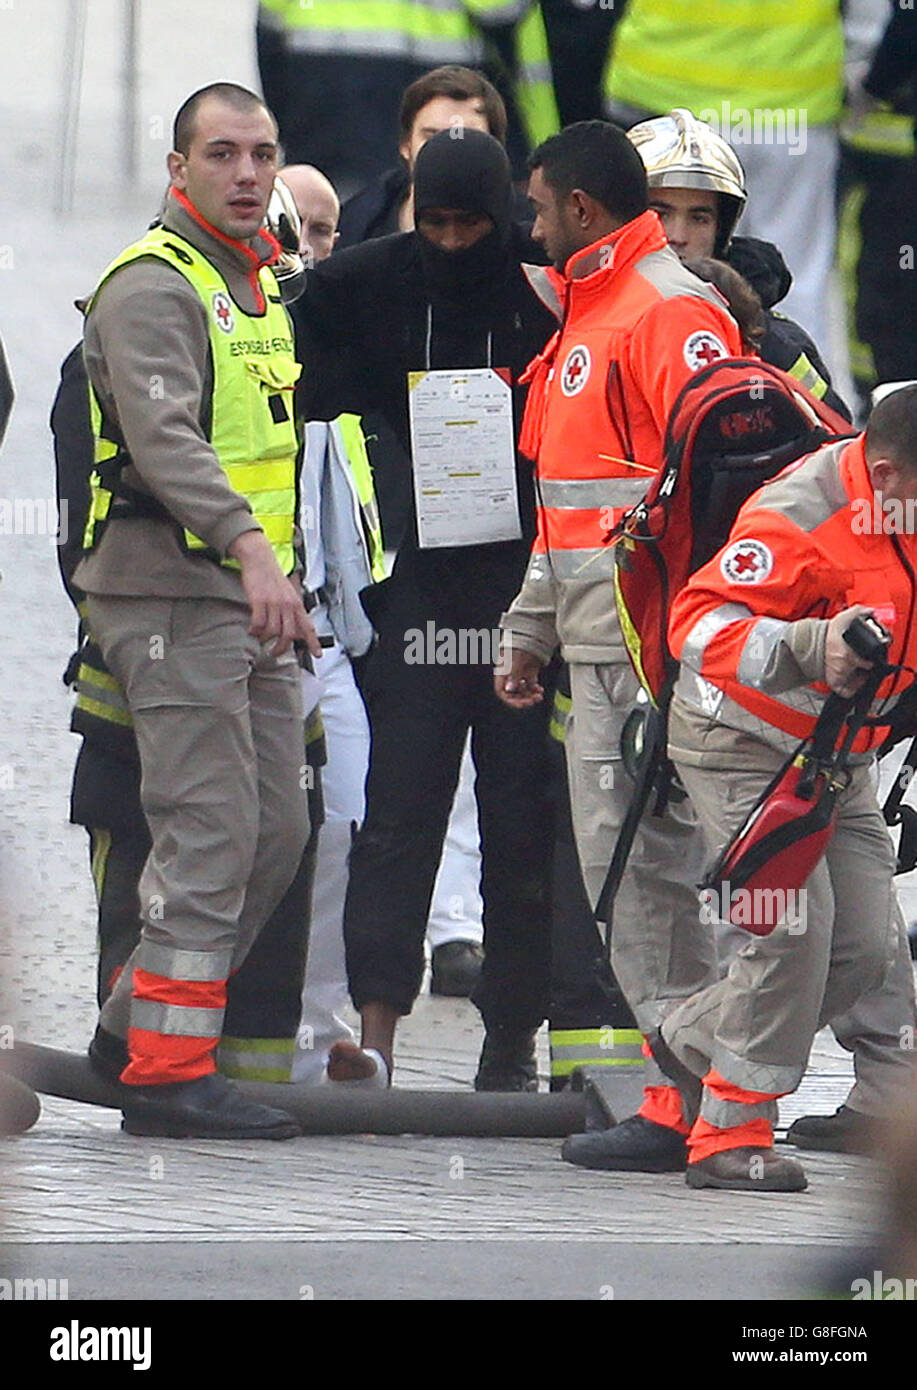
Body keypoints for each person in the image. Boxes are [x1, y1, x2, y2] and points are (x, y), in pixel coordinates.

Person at [496, 120, 744, 1168]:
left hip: (654, 656)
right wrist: (529, 626)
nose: (531, 223)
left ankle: (699, 1102)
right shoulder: (594, 307)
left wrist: (688, 653)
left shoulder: (662, 310)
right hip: (609, 650)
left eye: (540, 207)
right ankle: (690, 1097)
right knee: (636, 883)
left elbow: (727, 494)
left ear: (583, 212)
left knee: (652, 881)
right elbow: (573, 507)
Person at [74, 82, 320, 1139]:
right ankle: (166, 1076)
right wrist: (255, 552)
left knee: (277, 824)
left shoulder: (257, 284)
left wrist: (281, 574)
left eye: (262, 153)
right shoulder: (151, 285)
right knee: (210, 826)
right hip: (171, 593)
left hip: (247, 597)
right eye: (221, 155)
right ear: (178, 171)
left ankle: (133, 1029)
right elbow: (168, 441)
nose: (248, 174)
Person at [297, 128, 561, 1089]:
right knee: (397, 816)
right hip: (410, 600)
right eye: (436, 222)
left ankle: (510, 1042)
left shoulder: (543, 294)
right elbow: (296, 375)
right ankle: (377, 1034)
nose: (452, 242)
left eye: (472, 224)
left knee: (520, 823)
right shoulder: (361, 286)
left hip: (522, 608)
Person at [656, 387, 917, 1191]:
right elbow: (693, 625)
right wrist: (810, 642)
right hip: (741, 742)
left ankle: (684, 1037)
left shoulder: (902, 505)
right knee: (790, 935)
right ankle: (728, 1135)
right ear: (885, 473)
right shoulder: (799, 515)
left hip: (840, 757)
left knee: (864, 949)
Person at [601, 0, 845, 361]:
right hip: (794, 102)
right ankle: (800, 400)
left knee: (661, 260)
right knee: (800, 278)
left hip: (670, 92)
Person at [626, 108, 849, 418]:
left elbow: (834, 431)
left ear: (722, 230)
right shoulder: (569, 306)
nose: (677, 236)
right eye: (660, 214)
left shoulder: (770, 341)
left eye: (699, 218)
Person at [337, 65, 507, 249]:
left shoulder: (531, 236)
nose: (447, 153)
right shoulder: (354, 226)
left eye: (464, 139)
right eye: (432, 137)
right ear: (406, 144)